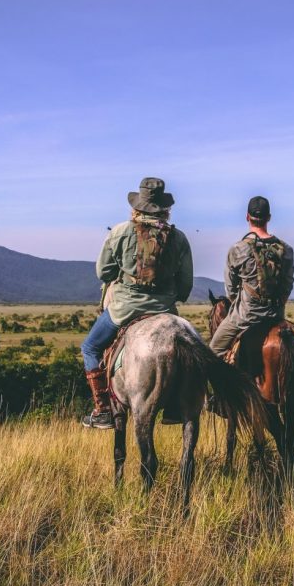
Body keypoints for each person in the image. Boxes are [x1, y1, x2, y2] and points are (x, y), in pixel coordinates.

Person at [80, 177, 194, 429]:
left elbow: (103, 272)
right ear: (165, 207)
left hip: (124, 309)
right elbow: (186, 283)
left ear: (137, 205)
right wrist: (169, 297)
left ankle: (103, 410)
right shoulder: (179, 238)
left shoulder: (120, 231)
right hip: (166, 310)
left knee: (89, 348)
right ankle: (177, 403)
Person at [209, 196, 294, 358]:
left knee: (213, 351)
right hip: (276, 315)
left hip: (245, 317)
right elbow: (288, 283)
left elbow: (231, 290)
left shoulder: (237, 249)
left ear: (247, 217)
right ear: (268, 217)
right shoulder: (286, 249)